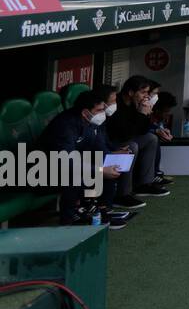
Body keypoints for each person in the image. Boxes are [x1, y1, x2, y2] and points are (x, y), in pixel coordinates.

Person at [36, 86, 137, 228]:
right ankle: (69, 222)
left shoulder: (91, 123)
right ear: (85, 112)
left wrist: (113, 154)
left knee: (105, 165)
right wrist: (101, 170)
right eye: (99, 110)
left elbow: (97, 147)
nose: (103, 113)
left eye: (103, 109)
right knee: (79, 174)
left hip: (66, 166)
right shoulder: (65, 125)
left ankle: (102, 210)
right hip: (41, 172)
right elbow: (66, 162)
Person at [107, 76, 170, 198]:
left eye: (147, 92)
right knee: (132, 146)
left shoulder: (134, 103)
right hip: (112, 143)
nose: (146, 96)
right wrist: (141, 114)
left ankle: (144, 184)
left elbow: (142, 131)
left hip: (124, 139)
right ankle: (123, 194)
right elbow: (124, 135)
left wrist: (146, 114)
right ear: (131, 92)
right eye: (143, 92)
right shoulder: (117, 104)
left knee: (151, 138)